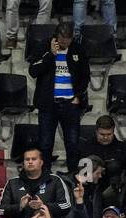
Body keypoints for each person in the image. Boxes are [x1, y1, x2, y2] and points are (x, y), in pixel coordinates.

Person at [30, 21, 90, 175]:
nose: (65, 43)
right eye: (62, 40)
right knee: (45, 143)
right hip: (48, 104)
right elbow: (34, 70)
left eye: (68, 40)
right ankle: (45, 175)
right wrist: (51, 55)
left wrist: (77, 96)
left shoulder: (78, 49)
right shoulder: (44, 47)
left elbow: (85, 76)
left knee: (72, 143)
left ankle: (73, 176)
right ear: (56, 37)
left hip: (70, 104)